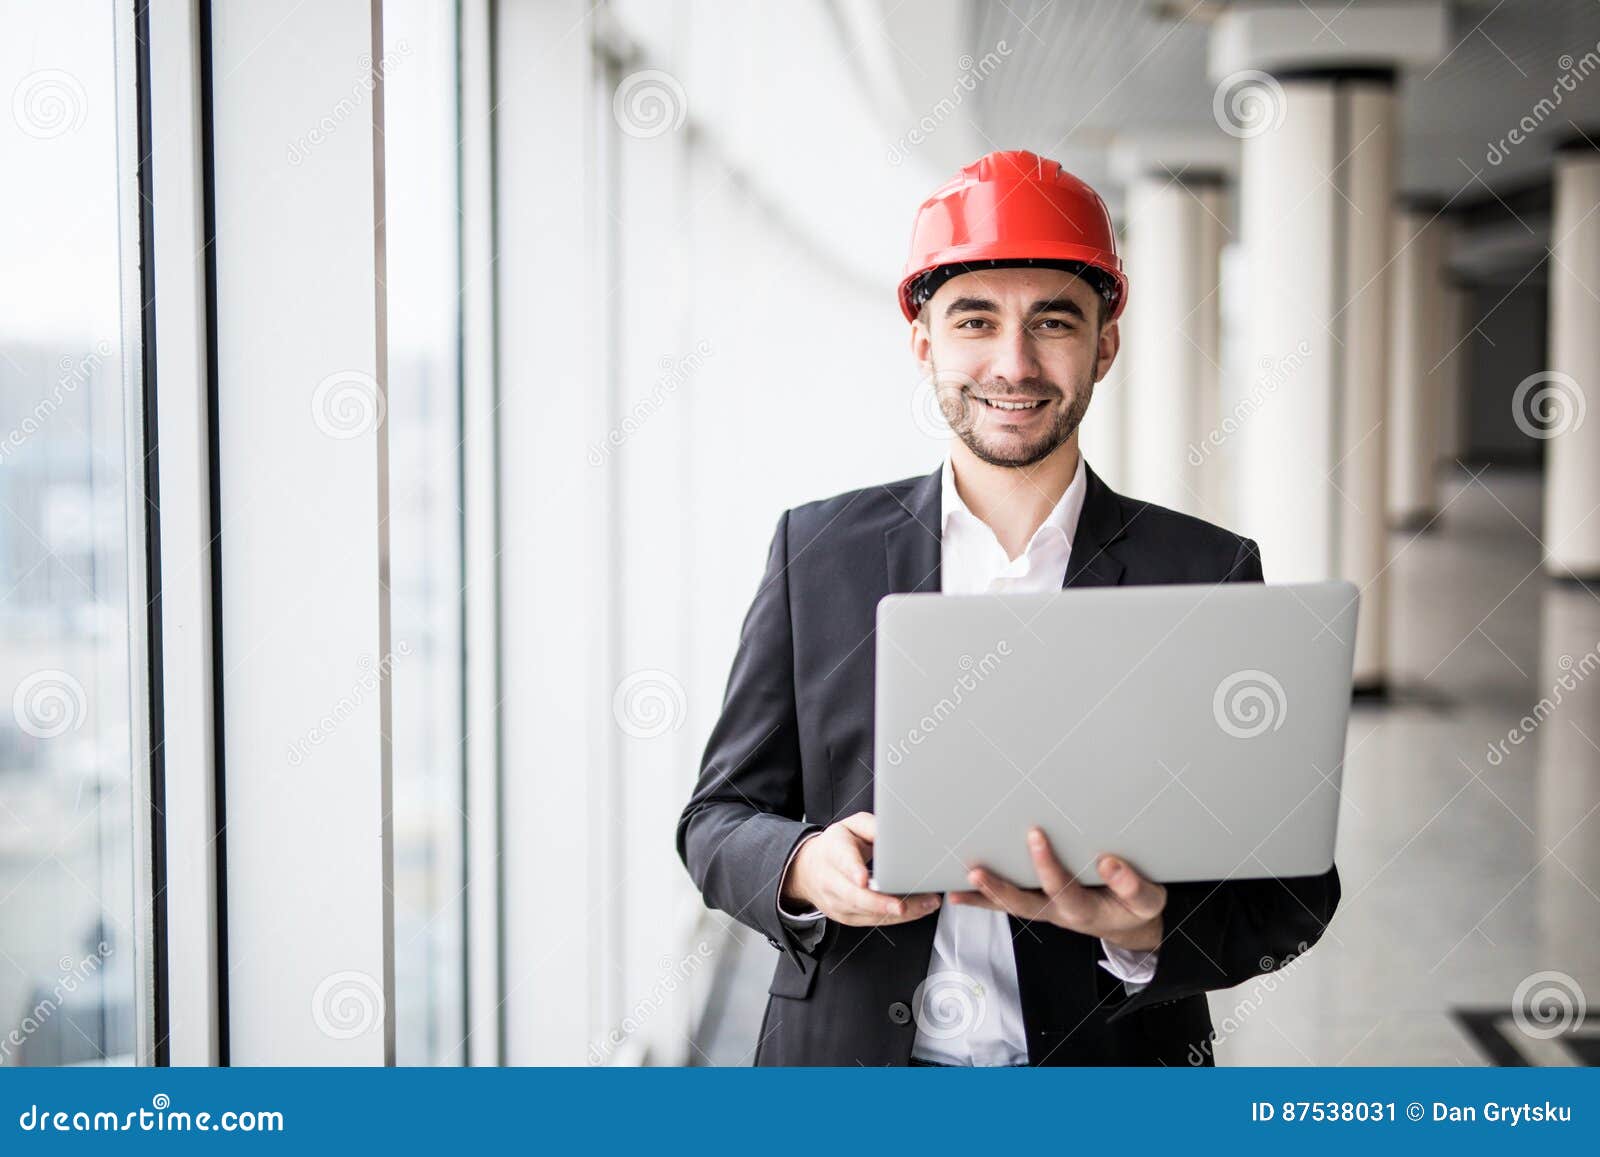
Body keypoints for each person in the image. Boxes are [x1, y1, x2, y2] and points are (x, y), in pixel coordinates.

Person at [676, 149, 1340, 1066]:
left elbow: (1291, 894)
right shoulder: (816, 553)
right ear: (925, 345)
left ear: (1105, 344)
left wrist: (1149, 928)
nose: (1014, 363)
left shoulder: (1205, 572)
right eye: (975, 320)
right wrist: (801, 866)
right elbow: (716, 819)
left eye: (1053, 322)